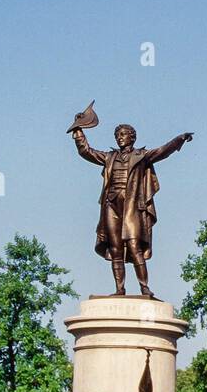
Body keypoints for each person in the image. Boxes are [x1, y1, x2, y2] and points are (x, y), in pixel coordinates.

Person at [70, 119, 193, 298]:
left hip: (132, 207)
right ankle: (120, 289)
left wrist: (179, 139)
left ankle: (145, 288)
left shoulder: (141, 156)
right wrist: (78, 131)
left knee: (135, 247)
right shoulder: (109, 157)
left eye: (122, 135)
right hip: (111, 206)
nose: (119, 138)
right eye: (117, 135)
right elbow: (86, 151)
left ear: (132, 137)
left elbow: (162, 151)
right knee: (115, 248)